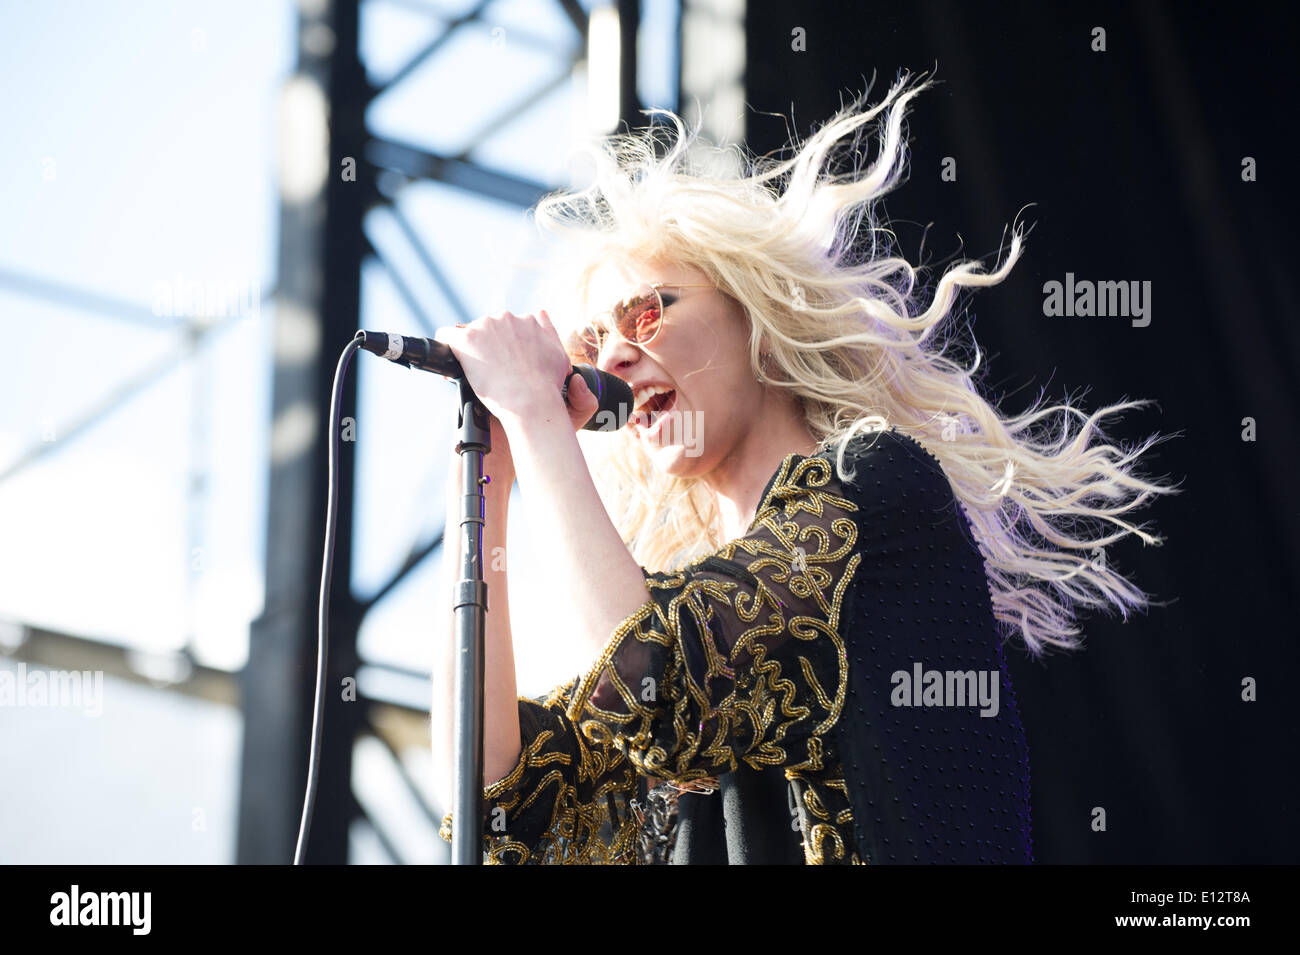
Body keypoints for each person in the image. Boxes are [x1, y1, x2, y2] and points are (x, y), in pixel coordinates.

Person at [428, 72, 1178, 864]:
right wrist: (487, 470)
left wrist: (543, 418)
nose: (612, 354)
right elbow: (494, 797)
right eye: (589, 347)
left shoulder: (877, 486)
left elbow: (658, 689)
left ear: (757, 313)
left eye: (644, 313)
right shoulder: (676, 601)